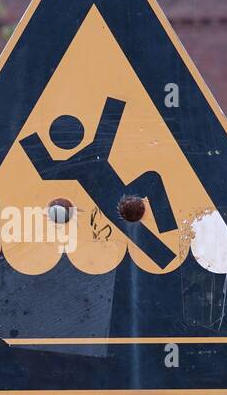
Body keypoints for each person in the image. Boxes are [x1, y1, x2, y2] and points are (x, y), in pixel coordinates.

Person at [19, 97, 177, 268]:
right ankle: (169, 250)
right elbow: (46, 170)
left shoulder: (82, 158)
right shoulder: (82, 159)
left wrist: (29, 138)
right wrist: (115, 103)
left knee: (151, 180)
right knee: (145, 239)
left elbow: (46, 169)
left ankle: (170, 231)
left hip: (124, 194)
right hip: (112, 203)